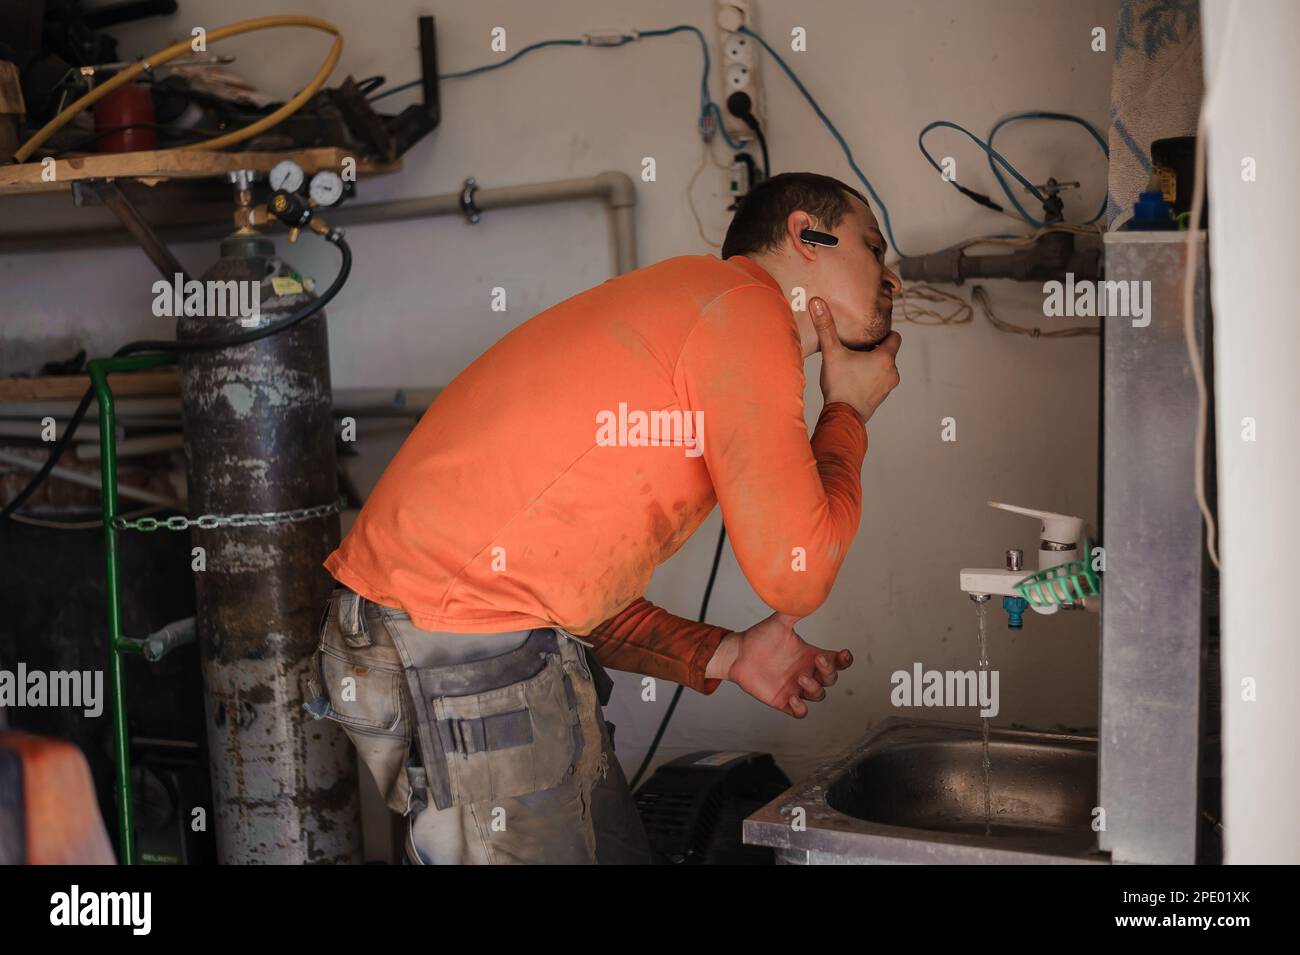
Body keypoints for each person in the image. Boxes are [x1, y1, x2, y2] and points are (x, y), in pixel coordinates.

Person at [309, 171, 904, 863]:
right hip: (456, 644)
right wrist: (847, 412)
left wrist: (726, 654)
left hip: (465, 635)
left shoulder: (699, 310)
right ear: (807, 234)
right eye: (873, 248)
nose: (892, 279)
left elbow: (564, 592)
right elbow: (797, 573)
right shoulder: (743, 307)